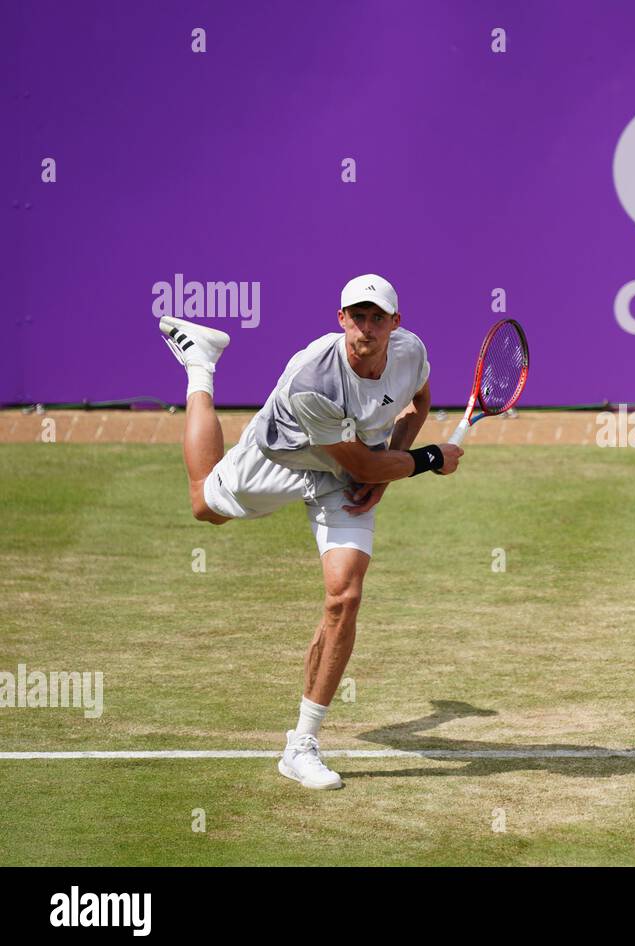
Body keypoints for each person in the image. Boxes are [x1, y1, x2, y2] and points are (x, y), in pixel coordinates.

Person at [158, 274, 462, 789]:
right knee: (204, 504)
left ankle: (301, 744)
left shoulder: (410, 352)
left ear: (395, 323)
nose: (367, 327)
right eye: (357, 316)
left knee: (344, 596)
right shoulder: (313, 381)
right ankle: (200, 365)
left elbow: (416, 406)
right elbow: (365, 465)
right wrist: (429, 458)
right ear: (341, 319)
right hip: (282, 458)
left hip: (349, 468)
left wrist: (389, 471)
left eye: (377, 317)